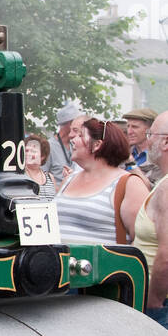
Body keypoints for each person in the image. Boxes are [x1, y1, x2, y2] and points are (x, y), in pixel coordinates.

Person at [55, 117, 149, 245]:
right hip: (58, 263)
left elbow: (143, 242)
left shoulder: (129, 184)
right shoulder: (68, 179)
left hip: (105, 264)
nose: (73, 140)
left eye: (80, 136)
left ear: (97, 145)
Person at [133, 110, 168, 328]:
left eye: (151, 135)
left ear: (165, 142)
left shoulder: (167, 189)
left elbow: (166, 256)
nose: (147, 141)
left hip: (160, 305)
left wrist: (154, 300)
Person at [122, 107, 158, 182]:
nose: (129, 132)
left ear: (150, 130)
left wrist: (131, 164)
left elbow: (152, 189)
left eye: (135, 127)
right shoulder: (123, 152)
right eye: (128, 126)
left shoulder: (160, 157)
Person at [46, 103, 78, 186]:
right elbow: (42, 176)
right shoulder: (49, 146)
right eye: (76, 123)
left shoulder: (74, 144)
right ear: (69, 124)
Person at [24, 133, 56, 198]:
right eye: (26, 150)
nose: (28, 154)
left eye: (33, 151)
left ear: (42, 156)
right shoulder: (20, 175)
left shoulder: (50, 177)